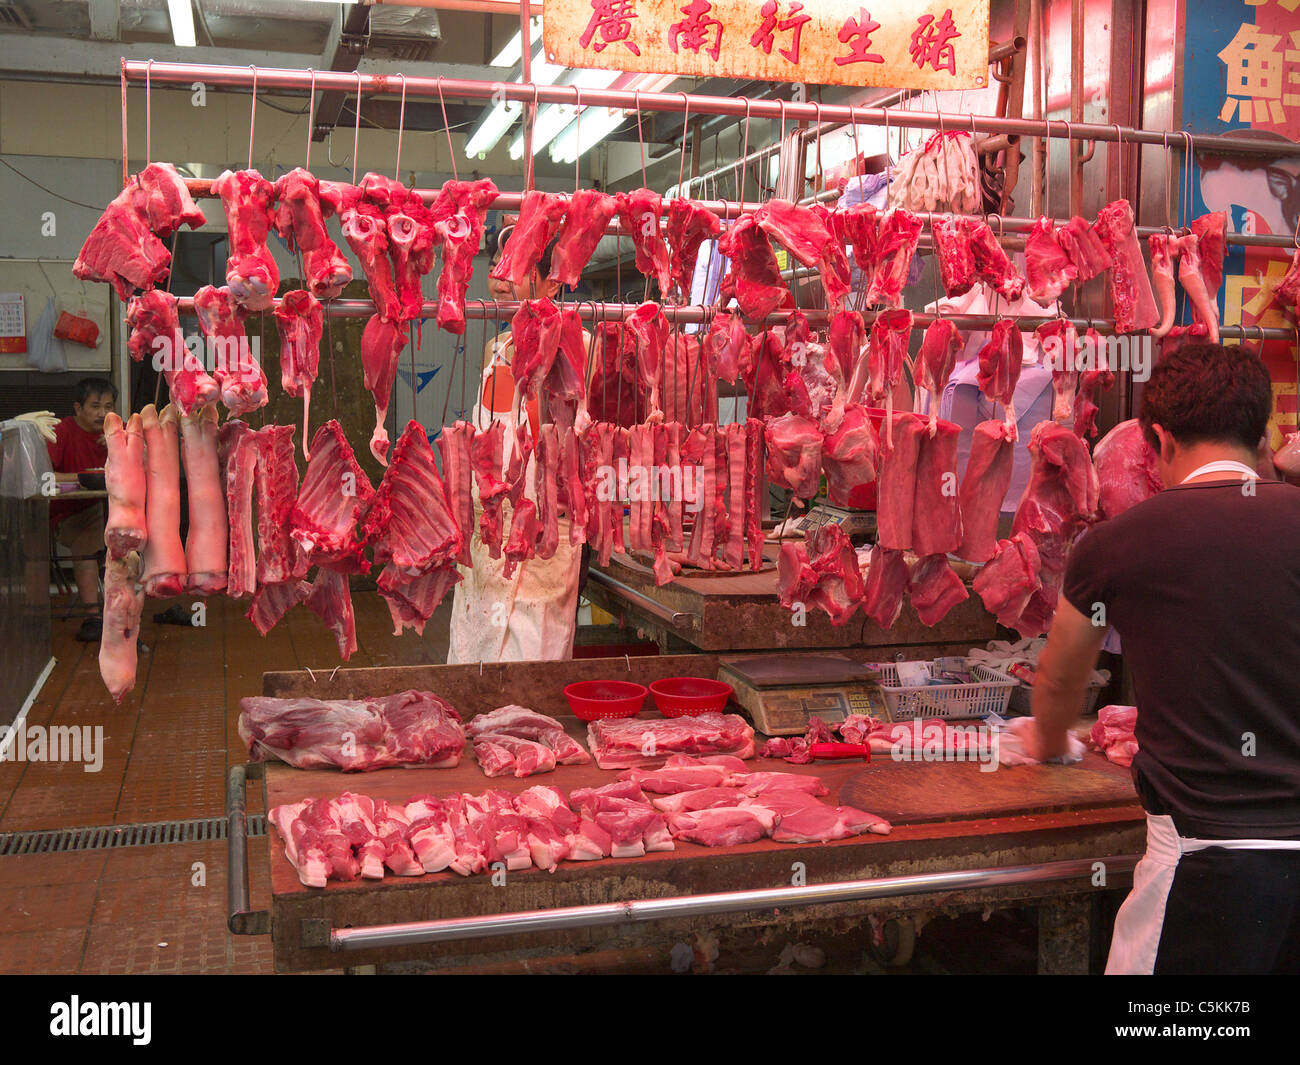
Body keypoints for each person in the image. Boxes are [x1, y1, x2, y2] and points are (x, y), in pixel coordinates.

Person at [1028, 341, 1300, 974]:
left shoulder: (1116, 546)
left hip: (1208, 872)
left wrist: (1049, 742)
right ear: (1264, 436)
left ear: (1159, 440)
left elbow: (1061, 681)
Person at [445, 230, 592, 664]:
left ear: (551, 283)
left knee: (530, 682)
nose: (501, 275)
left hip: (541, 541)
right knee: (471, 670)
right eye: (497, 263)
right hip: (488, 536)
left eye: (519, 265)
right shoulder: (496, 348)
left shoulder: (579, 348)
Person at [47, 377, 117, 641]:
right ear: (78, 408)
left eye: (108, 407)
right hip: (70, 512)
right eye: (95, 406)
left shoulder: (114, 432)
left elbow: (134, 471)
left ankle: (124, 609)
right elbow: (46, 476)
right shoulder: (62, 430)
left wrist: (117, 447)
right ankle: (92, 616)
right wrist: (82, 477)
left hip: (109, 509)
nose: (103, 413)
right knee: (91, 527)